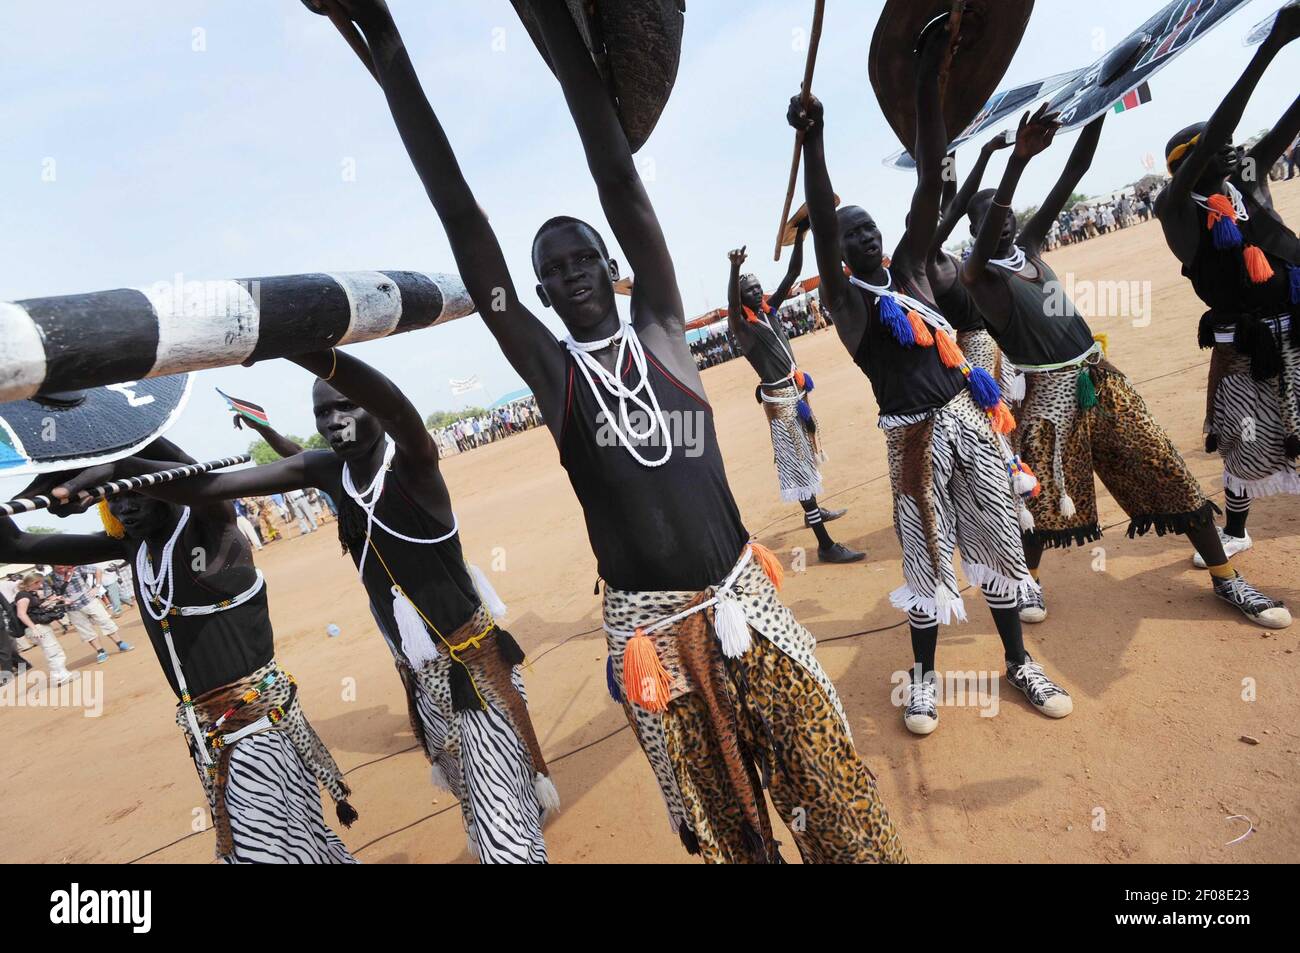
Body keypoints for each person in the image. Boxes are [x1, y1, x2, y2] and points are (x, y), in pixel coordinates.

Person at [330, 0, 905, 861]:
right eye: (549, 273)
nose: (567, 276)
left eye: (580, 259)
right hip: (650, 633)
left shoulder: (666, 332)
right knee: (728, 836)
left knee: (836, 798)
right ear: (543, 295)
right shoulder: (554, 374)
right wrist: (388, 45)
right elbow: (465, 223)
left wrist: (559, 30)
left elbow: (619, 182)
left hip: (746, 596)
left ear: (614, 267)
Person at [63, 350, 557, 864]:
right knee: (474, 794)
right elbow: (208, 485)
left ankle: (513, 822)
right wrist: (122, 446)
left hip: (473, 669)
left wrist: (312, 351)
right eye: (324, 413)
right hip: (422, 674)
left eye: (349, 406)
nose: (336, 421)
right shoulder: (329, 472)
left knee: (502, 825)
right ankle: (512, 801)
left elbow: (400, 409)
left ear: (375, 410)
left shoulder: (413, 463)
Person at [791, 18, 1068, 737]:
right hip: (911, 440)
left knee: (1000, 540)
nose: (865, 236)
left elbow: (928, 173)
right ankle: (921, 680)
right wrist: (815, 144)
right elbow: (821, 223)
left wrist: (926, 73)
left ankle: (1018, 661)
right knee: (926, 560)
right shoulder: (849, 303)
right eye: (853, 236)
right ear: (840, 258)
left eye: (868, 227)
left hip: (967, 421)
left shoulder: (914, 265)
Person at [961, 104, 1291, 631]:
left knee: (1169, 469)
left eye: (1006, 216)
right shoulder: (977, 277)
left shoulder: (1028, 248)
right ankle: (1027, 580)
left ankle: (1226, 577)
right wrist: (1015, 163)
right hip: (1048, 397)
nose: (1002, 224)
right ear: (973, 232)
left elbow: (1074, 171)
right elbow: (989, 228)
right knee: (1040, 499)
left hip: (1099, 377)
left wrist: (1100, 106)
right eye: (988, 221)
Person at [1, 441, 358, 864]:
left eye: (136, 491)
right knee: (289, 846)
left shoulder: (213, 529)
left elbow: (200, 482)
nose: (126, 507)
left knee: (271, 853)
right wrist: (32, 490)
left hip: (260, 729)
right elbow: (15, 548)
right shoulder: (132, 548)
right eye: (113, 497)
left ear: (165, 487)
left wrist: (125, 446)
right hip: (210, 737)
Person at [1154, 9, 1300, 569]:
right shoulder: (1177, 212)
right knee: (1244, 437)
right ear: (1190, 166)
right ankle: (1236, 530)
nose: (1232, 147)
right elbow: (1220, 129)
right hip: (1243, 343)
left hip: (1293, 319)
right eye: (1218, 145)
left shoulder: (1247, 180)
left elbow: (1287, 123)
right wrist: (1270, 48)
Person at [725, 232, 863, 563]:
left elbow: (791, 274)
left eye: (758, 286)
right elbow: (731, 305)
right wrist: (734, 270)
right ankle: (825, 545)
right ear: (742, 297)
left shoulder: (770, 311)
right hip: (781, 404)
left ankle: (811, 512)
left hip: (796, 392)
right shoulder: (744, 326)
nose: (757, 292)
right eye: (750, 290)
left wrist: (800, 237)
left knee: (807, 456)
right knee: (797, 467)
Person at [49, 564, 132, 663]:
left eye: (63, 567)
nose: (62, 570)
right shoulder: (49, 578)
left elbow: (97, 570)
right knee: (85, 631)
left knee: (105, 621)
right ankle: (100, 651)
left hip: (89, 601)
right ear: (53, 567)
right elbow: (49, 596)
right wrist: (61, 599)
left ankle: (120, 643)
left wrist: (97, 587)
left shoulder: (76, 568)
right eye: (59, 568)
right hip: (72, 609)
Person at [9, 573, 72, 685]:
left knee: (53, 650)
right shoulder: (23, 596)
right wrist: (34, 628)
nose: (41, 585)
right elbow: (21, 614)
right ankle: (60, 675)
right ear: (34, 583)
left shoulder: (29, 594)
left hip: (39, 626)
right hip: (37, 627)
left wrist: (55, 600)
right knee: (52, 651)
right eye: (40, 582)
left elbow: (37, 608)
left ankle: (58, 675)